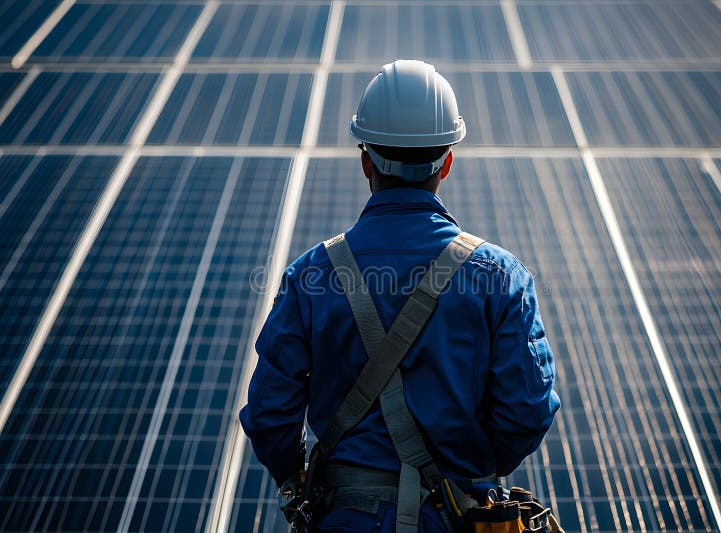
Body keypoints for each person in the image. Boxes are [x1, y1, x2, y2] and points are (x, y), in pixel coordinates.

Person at [240, 60, 560, 533]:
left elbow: (270, 413)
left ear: (365, 160)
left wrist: (298, 480)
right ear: (447, 162)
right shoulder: (499, 275)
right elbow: (528, 409)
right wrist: (468, 469)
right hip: (456, 518)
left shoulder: (310, 275)